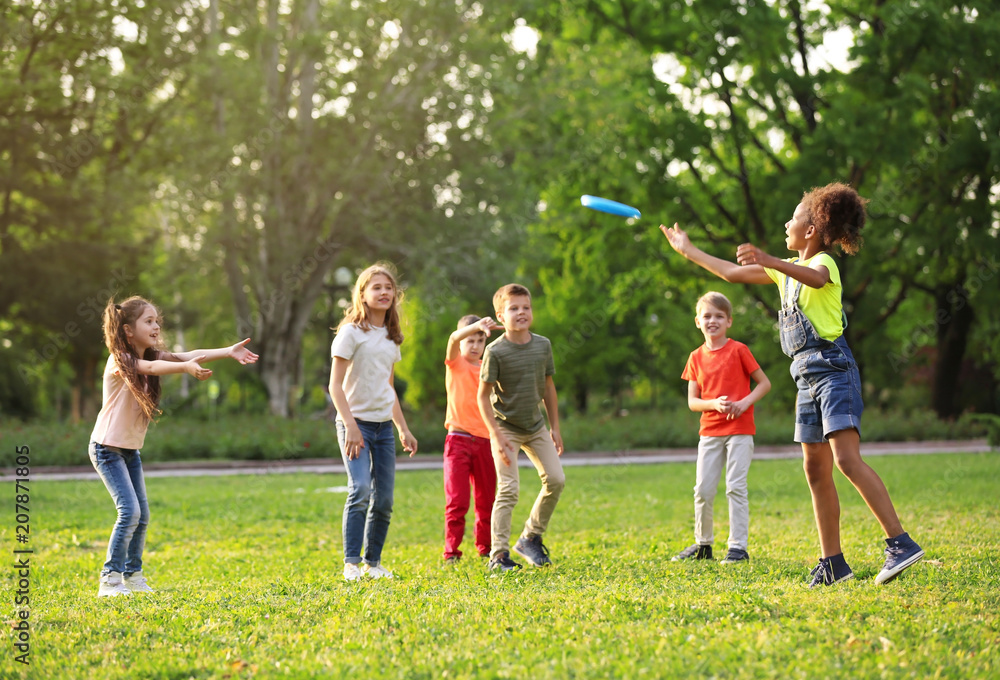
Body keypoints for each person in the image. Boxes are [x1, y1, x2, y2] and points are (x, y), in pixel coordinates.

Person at [661, 182, 925, 587]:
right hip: (805, 378)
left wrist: (771, 259)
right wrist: (687, 250)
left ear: (813, 228)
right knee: (814, 468)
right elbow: (731, 273)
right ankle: (833, 562)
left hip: (834, 370)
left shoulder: (823, 263)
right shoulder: (782, 270)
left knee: (846, 460)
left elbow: (815, 279)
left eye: (794, 217)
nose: (787, 222)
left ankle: (900, 542)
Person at [90, 296, 258, 597]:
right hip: (106, 448)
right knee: (129, 512)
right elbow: (151, 367)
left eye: (157, 321)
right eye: (149, 321)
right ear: (128, 330)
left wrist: (228, 351)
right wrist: (184, 369)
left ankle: (133, 576)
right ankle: (110, 579)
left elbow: (191, 354)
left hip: (129, 451)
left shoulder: (153, 355)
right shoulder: (120, 360)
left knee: (142, 515)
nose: (156, 326)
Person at [329, 263, 418, 581]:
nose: (384, 292)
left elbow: (388, 388)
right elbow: (334, 385)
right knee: (361, 489)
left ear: (395, 295)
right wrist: (350, 425)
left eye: (389, 288)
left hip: (383, 428)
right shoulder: (351, 332)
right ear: (362, 294)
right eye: (376, 287)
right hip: (355, 425)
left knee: (385, 499)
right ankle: (351, 563)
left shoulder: (392, 338)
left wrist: (403, 428)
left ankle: (373, 563)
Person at [673, 292, 771, 565]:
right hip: (709, 432)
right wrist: (713, 404)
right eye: (707, 316)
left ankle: (738, 548)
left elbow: (764, 383)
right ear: (697, 321)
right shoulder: (695, 357)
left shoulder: (739, 350)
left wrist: (744, 403)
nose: (712, 321)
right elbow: (693, 402)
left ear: (729, 321)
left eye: (718, 316)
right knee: (703, 490)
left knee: (735, 487)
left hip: (740, 429)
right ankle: (703, 544)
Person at [477, 283, 565, 571]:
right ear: (500, 316)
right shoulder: (495, 351)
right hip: (506, 429)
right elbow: (482, 396)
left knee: (556, 480)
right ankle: (498, 556)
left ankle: (530, 537)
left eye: (526, 307)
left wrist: (555, 427)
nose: (521, 312)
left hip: (536, 425)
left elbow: (548, 388)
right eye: (513, 308)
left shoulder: (543, 345)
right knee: (509, 490)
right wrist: (496, 434)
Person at [442, 314, 502, 562]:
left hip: (487, 442)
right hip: (458, 441)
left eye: (480, 340)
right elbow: (454, 338)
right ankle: (451, 552)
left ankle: (485, 548)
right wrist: (473, 328)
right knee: (457, 502)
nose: (475, 345)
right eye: (471, 340)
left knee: (486, 501)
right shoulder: (455, 363)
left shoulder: (489, 372)